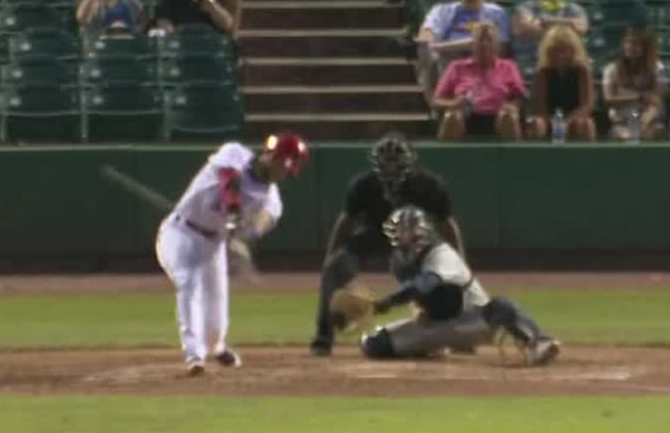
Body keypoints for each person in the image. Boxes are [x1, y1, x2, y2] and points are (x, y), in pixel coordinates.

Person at [156, 133, 308, 374]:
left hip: (213, 245)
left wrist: (245, 234)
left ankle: (216, 347)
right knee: (189, 283)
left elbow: (261, 223)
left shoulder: (271, 200)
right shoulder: (234, 152)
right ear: (272, 156)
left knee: (216, 313)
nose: (285, 173)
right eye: (284, 165)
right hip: (180, 234)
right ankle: (194, 356)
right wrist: (235, 212)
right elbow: (230, 180)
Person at [310, 133, 463, 356]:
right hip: (375, 235)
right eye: (386, 163)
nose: (391, 169)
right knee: (333, 270)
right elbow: (346, 222)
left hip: (416, 242)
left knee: (438, 280)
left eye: (396, 163)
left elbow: (447, 225)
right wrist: (331, 258)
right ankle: (324, 335)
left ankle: (448, 332)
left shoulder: (428, 185)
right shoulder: (364, 185)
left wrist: (457, 262)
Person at [357, 206, 560, 364]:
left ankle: (538, 343)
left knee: (501, 305)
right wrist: (417, 309)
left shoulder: (442, 253)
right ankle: (426, 348)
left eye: (410, 229)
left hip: (473, 321)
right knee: (373, 343)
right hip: (435, 327)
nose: (406, 235)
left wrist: (387, 302)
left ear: (423, 230)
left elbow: (425, 284)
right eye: (401, 230)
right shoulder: (399, 263)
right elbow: (417, 295)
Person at [414, 0, 509, 99]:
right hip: (448, 58)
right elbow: (426, 37)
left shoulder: (497, 13)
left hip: (483, 57)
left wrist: (472, 46)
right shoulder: (442, 11)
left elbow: (501, 47)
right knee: (427, 54)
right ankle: (437, 104)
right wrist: (462, 45)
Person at [433, 21, 525, 140]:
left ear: (497, 45)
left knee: (508, 117)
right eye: (480, 39)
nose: (485, 44)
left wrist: (512, 105)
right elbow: (437, 101)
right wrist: (454, 103)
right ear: (472, 44)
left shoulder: (508, 67)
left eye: (489, 39)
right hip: (466, 117)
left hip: (498, 116)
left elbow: (519, 96)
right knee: (452, 117)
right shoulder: (456, 67)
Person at [527, 24, 595, 141]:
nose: (560, 55)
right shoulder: (542, 73)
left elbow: (587, 105)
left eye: (564, 50)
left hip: (575, 118)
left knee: (585, 124)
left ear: (573, 50)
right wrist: (554, 122)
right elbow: (540, 108)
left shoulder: (582, 71)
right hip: (549, 119)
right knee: (537, 124)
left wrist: (566, 122)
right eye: (555, 50)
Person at [601, 25, 666, 140]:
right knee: (624, 137)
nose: (630, 47)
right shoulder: (611, 69)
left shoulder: (657, 69)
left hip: (648, 120)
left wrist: (643, 122)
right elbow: (609, 100)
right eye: (628, 43)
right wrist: (639, 97)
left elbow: (656, 100)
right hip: (621, 122)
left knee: (657, 131)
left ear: (645, 48)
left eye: (635, 44)